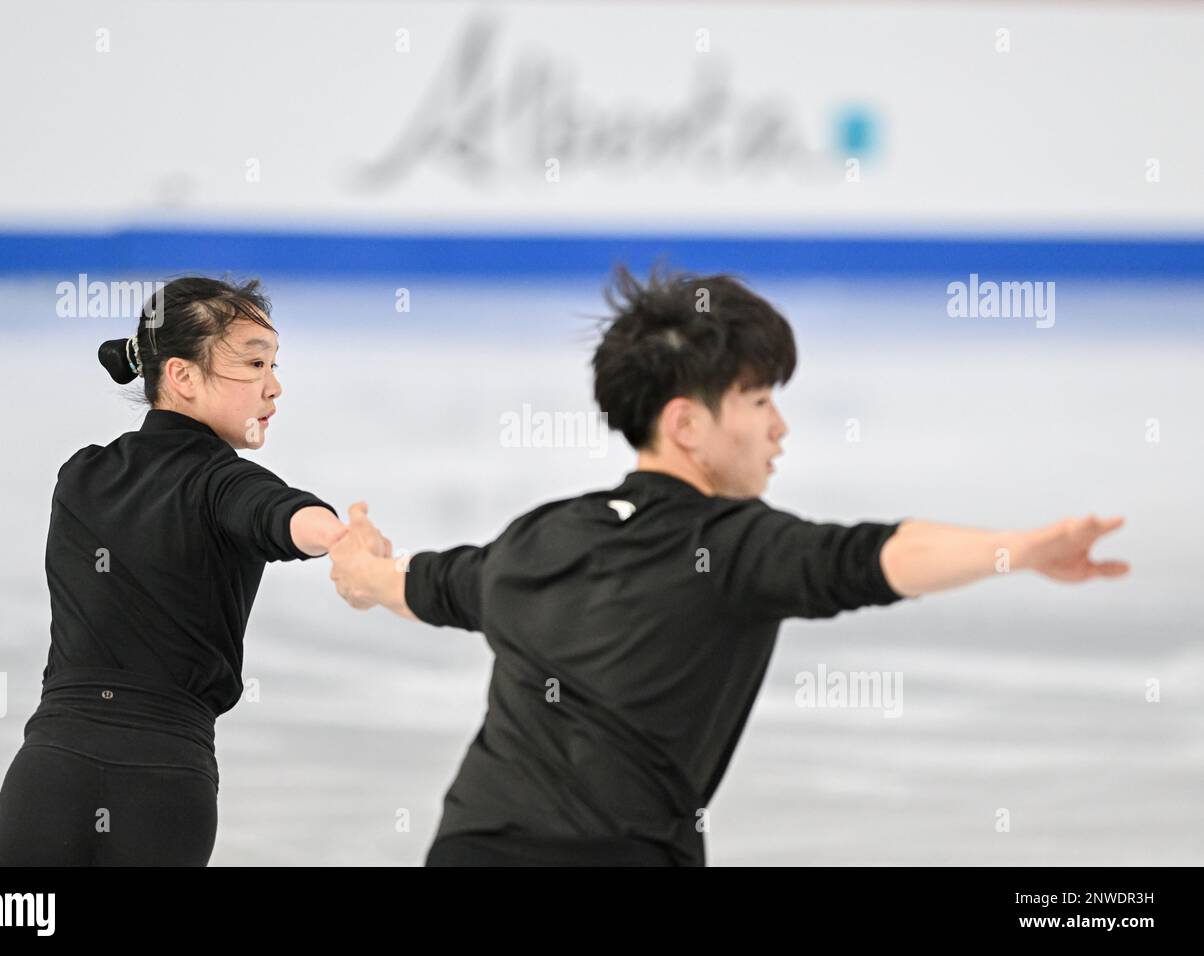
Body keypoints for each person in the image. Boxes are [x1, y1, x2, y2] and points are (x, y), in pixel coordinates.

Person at [326, 266, 1129, 867]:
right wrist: (1016, 550)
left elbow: (408, 586)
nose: (779, 427)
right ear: (685, 424)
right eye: (758, 402)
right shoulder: (737, 549)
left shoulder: (539, 537)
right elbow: (877, 556)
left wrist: (360, 565)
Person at [0, 276, 379, 866]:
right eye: (255, 363)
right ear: (181, 376)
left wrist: (322, 531)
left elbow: (275, 514)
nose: (275, 386)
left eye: (274, 364)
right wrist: (339, 538)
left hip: (51, 770)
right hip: (163, 787)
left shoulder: (81, 476)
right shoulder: (224, 482)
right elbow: (280, 516)